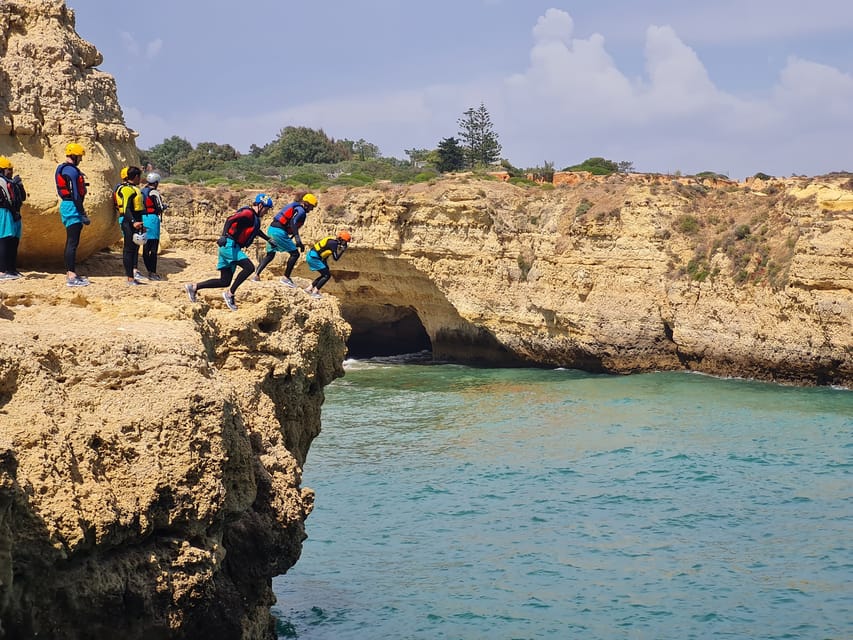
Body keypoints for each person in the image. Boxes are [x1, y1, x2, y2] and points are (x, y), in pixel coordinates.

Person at [184, 193, 278, 311]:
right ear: (260, 206)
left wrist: (268, 239)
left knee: (224, 281)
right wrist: (223, 236)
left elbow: (256, 231)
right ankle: (230, 294)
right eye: (266, 209)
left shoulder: (253, 217)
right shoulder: (248, 213)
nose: (266, 212)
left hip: (232, 246)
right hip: (229, 245)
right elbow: (230, 219)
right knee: (249, 267)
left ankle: (194, 287)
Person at [253, 192, 318, 286]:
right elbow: (293, 222)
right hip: (279, 232)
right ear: (307, 204)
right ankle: (286, 278)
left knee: (270, 254)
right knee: (295, 254)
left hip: (271, 229)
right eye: (312, 207)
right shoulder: (301, 211)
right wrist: (297, 239)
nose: (311, 209)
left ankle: (256, 276)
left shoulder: (295, 206)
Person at [55, 142, 90, 287]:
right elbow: (75, 193)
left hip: (68, 205)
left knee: (72, 241)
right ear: (74, 156)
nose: (80, 159)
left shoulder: (62, 168)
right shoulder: (71, 171)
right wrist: (82, 212)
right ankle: (71, 275)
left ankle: (71, 273)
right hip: (72, 207)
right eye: (79, 157)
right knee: (72, 242)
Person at [116, 166, 146, 285]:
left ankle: (133, 276)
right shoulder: (127, 189)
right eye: (139, 176)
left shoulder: (133, 188)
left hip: (135, 222)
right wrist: (134, 221)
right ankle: (130, 278)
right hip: (129, 223)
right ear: (136, 177)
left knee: (134, 249)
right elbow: (127, 208)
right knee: (128, 250)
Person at [303, 230, 351, 298]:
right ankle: (315, 292)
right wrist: (342, 251)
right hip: (313, 258)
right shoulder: (333, 244)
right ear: (341, 239)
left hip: (312, 256)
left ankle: (309, 289)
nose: (345, 244)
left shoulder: (333, 241)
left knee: (325, 274)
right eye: (345, 242)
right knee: (327, 275)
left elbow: (325, 255)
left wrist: (325, 265)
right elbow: (336, 258)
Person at [0, 156, 26, 280]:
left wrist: (20, 186)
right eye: (8, 170)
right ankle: (2, 271)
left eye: (11, 169)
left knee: (13, 241)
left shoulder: (11, 182)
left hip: (14, 213)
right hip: (4, 212)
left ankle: (11, 269)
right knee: (5, 241)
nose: (10, 172)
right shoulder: (2, 181)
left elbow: (22, 198)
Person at [140, 172, 167, 280]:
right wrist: (164, 206)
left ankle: (148, 270)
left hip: (143, 218)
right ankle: (152, 272)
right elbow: (160, 207)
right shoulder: (154, 192)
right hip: (152, 219)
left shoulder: (142, 191)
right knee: (153, 248)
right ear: (155, 183)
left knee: (146, 246)